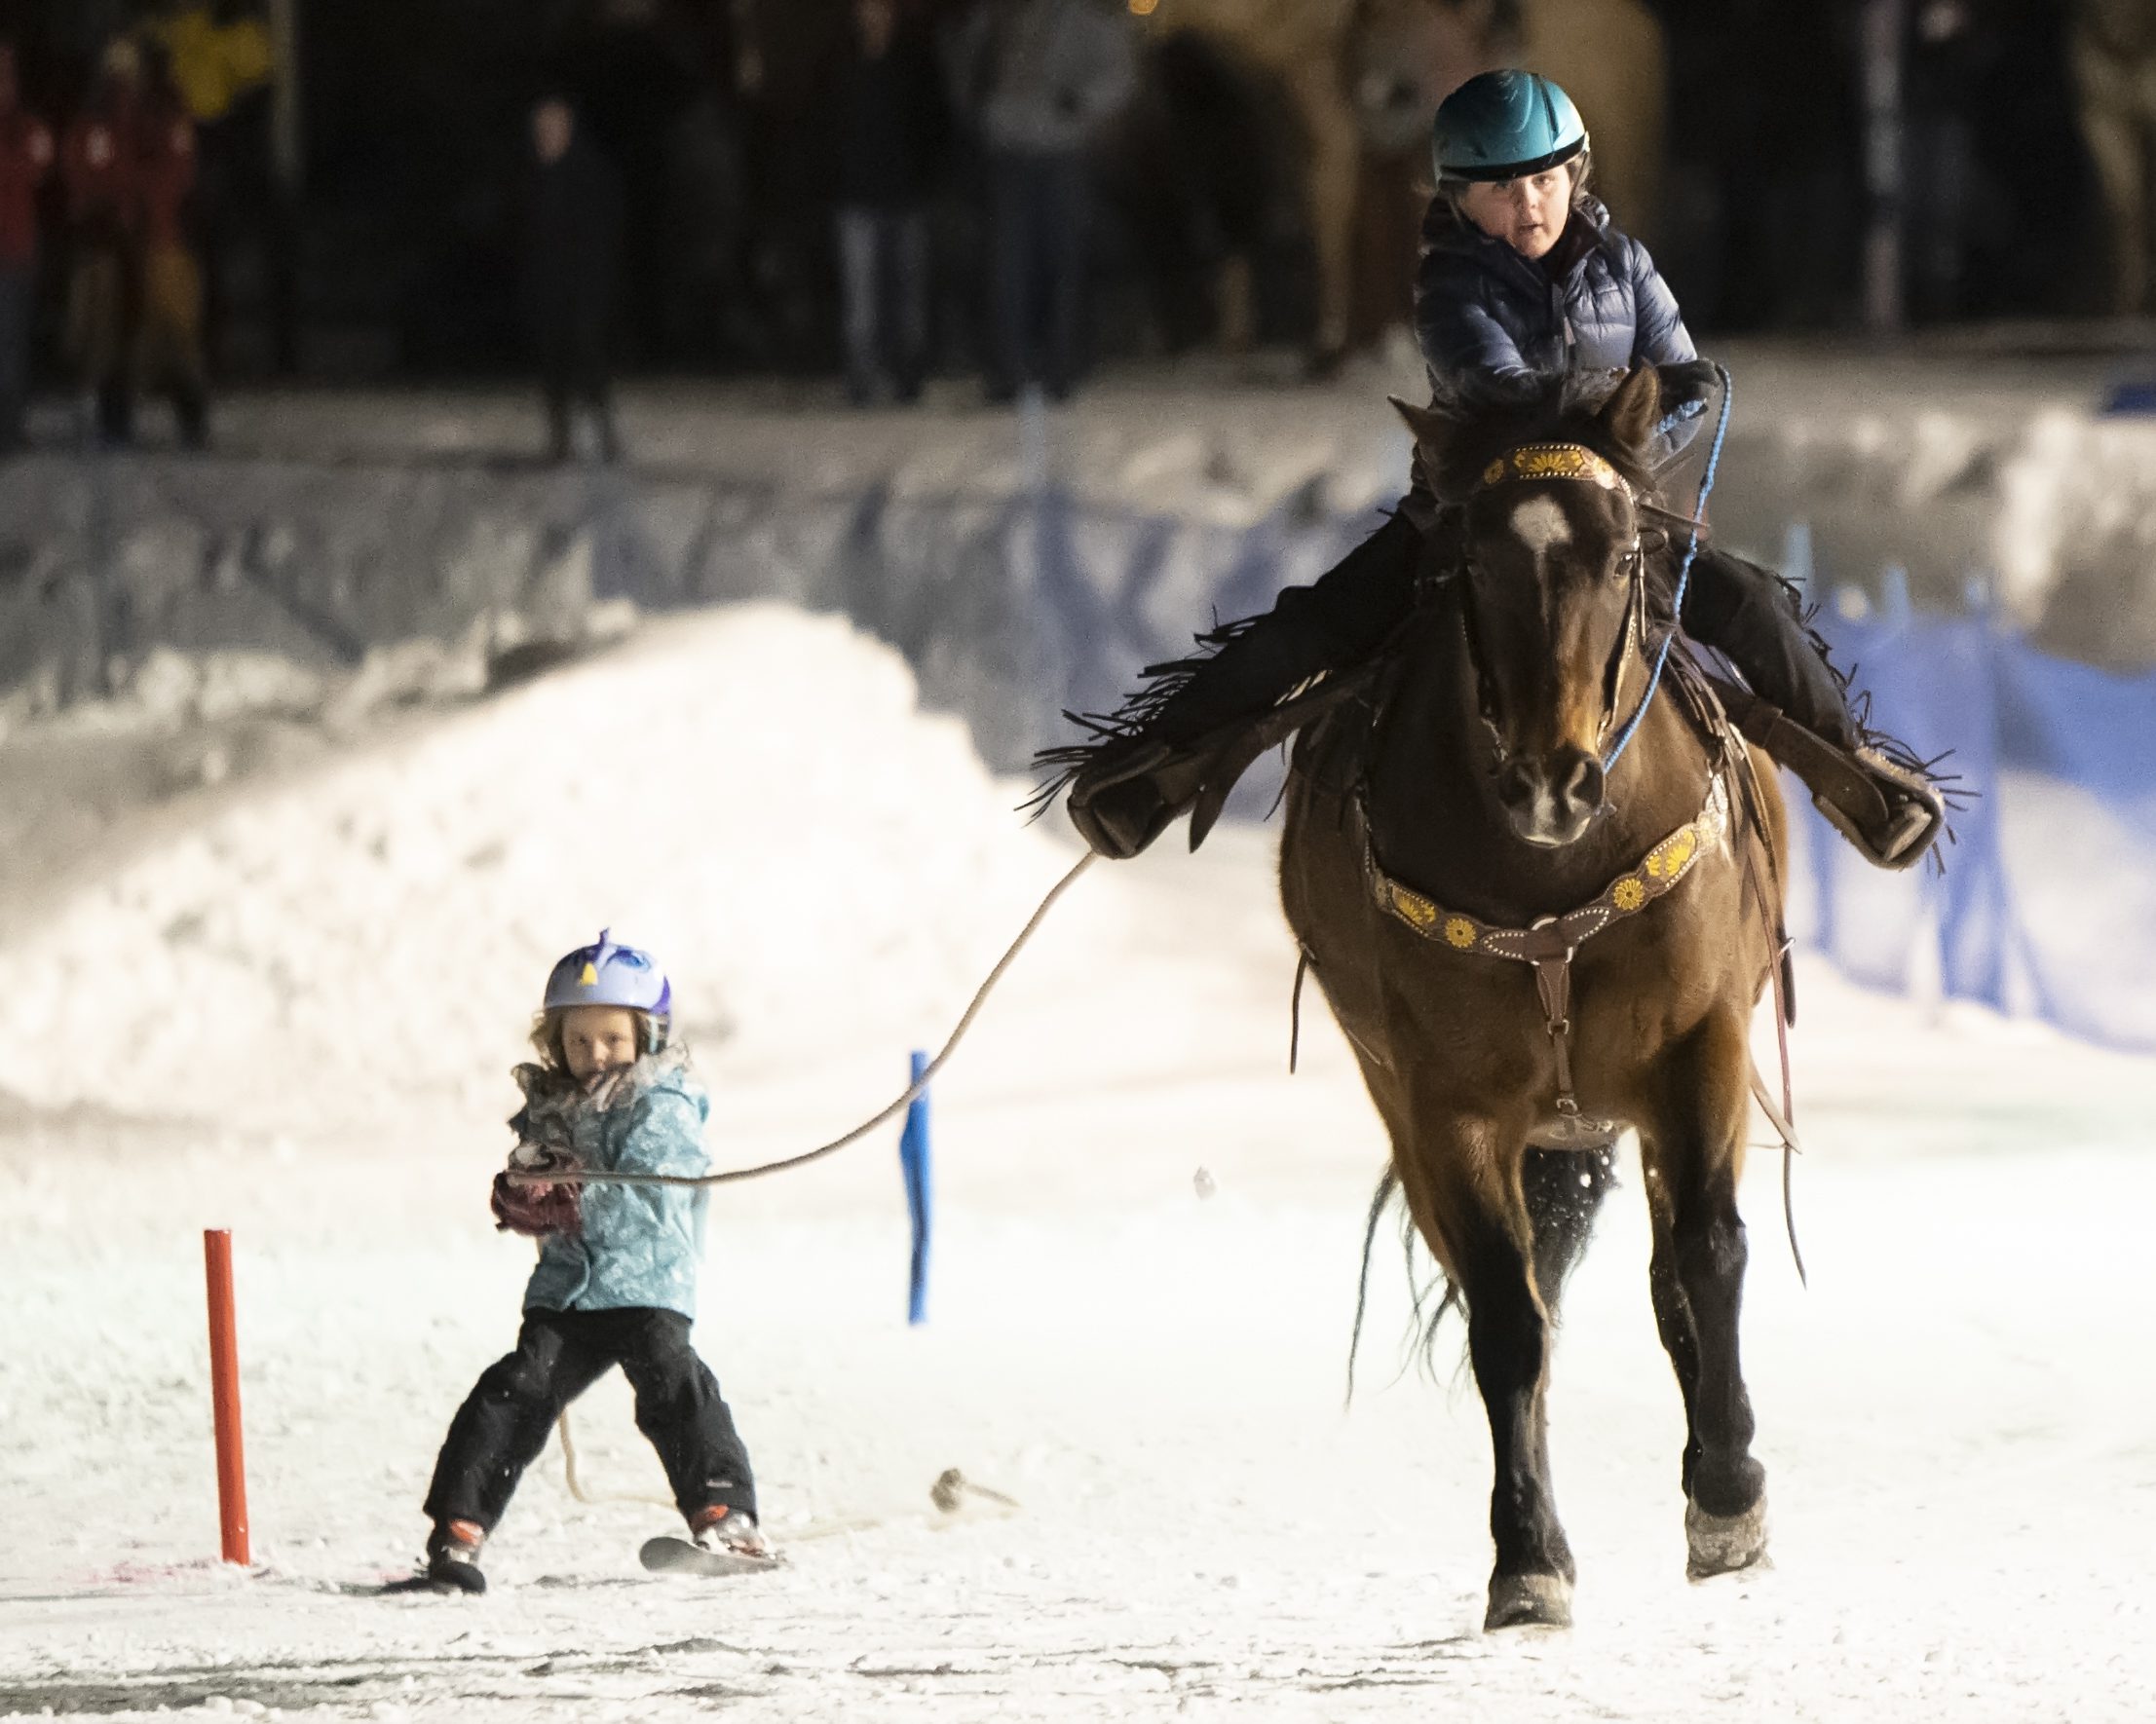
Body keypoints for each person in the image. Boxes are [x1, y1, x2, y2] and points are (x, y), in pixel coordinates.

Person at [1052, 69, 1945, 872]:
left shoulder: (1624, 263)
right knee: (1310, 629)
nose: (1530, 204)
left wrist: (1658, 410)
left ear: (1576, 176)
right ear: (1458, 200)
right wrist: (1632, 411)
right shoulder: (1451, 286)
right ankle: (1156, 770)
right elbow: (1510, 400)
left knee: (1753, 606)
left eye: (1547, 179)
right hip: (1468, 518)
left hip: (1607, 520)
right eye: (1504, 187)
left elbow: (1680, 375)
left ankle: (1854, 776)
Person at [410, 931, 769, 1594]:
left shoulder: (662, 1100)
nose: (594, 1054)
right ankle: (457, 1531)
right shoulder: (549, 1108)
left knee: (672, 1384)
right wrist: (526, 1188)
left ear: (645, 1037)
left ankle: (724, 1512)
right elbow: (533, 1172)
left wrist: (587, 1181)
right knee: (514, 1390)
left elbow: (670, 1164)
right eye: (578, 1041)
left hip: (645, 1284)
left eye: (610, 1038)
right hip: (569, 1292)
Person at [949, 0, 1136, 402]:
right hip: (1007, 152)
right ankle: (1009, 369)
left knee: (1060, 263)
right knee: (1007, 267)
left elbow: (1118, 72)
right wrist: (982, 114)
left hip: (1059, 154)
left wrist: (1081, 100)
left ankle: (1058, 368)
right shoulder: (995, 18)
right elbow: (965, 65)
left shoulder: (1084, 22)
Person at [832, 0, 947, 404]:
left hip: (907, 194)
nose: (872, 15)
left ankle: (907, 378)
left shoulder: (914, 61)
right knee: (861, 302)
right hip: (856, 195)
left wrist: (927, 176)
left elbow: (934, 123)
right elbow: (824, 128)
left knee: (907, 298)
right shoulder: (840, 62)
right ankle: (862, 380)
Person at [523, 96, 624, 463]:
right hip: (547, 286)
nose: (545, 137)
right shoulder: (533, 175)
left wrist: (595, 280)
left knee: (588, 358)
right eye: (540, 131)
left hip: (583, 285)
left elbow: (602, 231)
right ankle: (560, 439)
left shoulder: (587, 172)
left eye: (552, 130)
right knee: (553, 364)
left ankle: (605, 433)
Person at [0, 45, 53, 451]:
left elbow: (36, 167)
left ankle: (9, 426)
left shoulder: (28, 128)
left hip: (14, 253)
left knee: (11, 344)